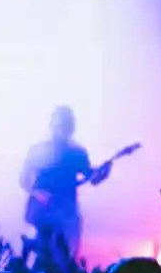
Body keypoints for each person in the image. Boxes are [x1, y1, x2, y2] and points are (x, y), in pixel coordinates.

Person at [20, 106, 111, 258]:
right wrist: (37, 194)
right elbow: (23, 179)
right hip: (44, 211)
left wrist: (104, 172)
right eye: (61, 125)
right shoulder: (38, 150)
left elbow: (92, 178)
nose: (64, 130)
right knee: (46, 254)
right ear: (53, 126)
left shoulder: (77, 153)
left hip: (67, 210)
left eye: (67, 126)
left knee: (68, 253)